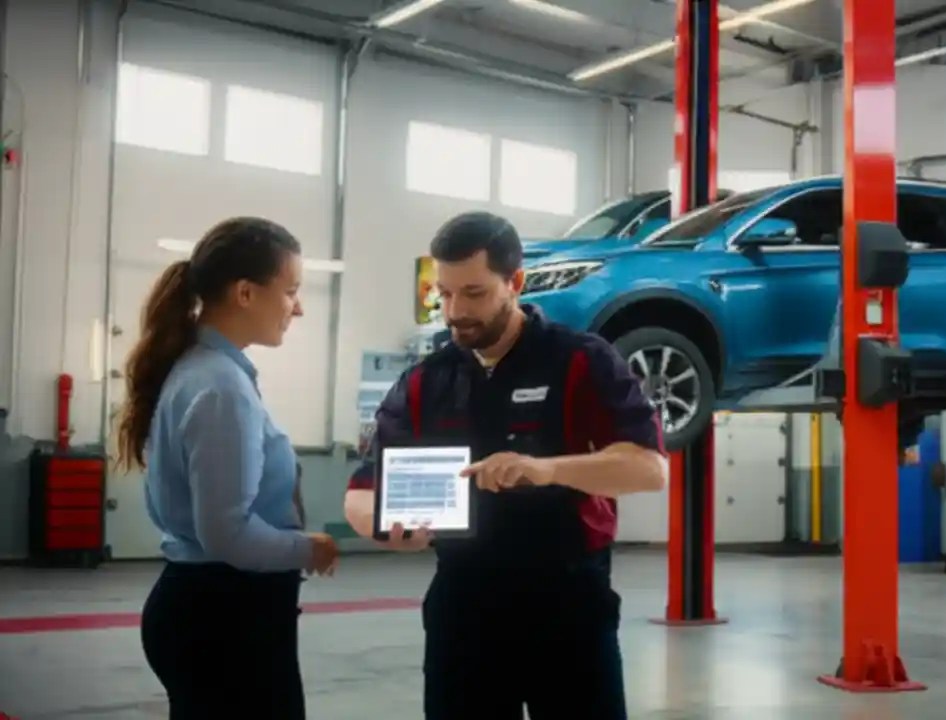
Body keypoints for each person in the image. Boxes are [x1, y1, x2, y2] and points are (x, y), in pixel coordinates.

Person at [343, 211, 667, 720]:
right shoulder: (426, 381)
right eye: (444, 294)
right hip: (464, 610)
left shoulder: (582, 361)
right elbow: (364, 488)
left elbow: (649, 468)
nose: (455, 311)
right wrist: (387, 527)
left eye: (473, 293)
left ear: (515, 282)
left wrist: (547, 469)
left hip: (568, 608)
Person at [117, 216, 340, 720]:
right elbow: (226, 534)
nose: (298, 308)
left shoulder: (204, 371)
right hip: (227, 620)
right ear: (245, 293)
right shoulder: (220, 387)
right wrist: (310, 548)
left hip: (213, 612)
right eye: (290, 292)